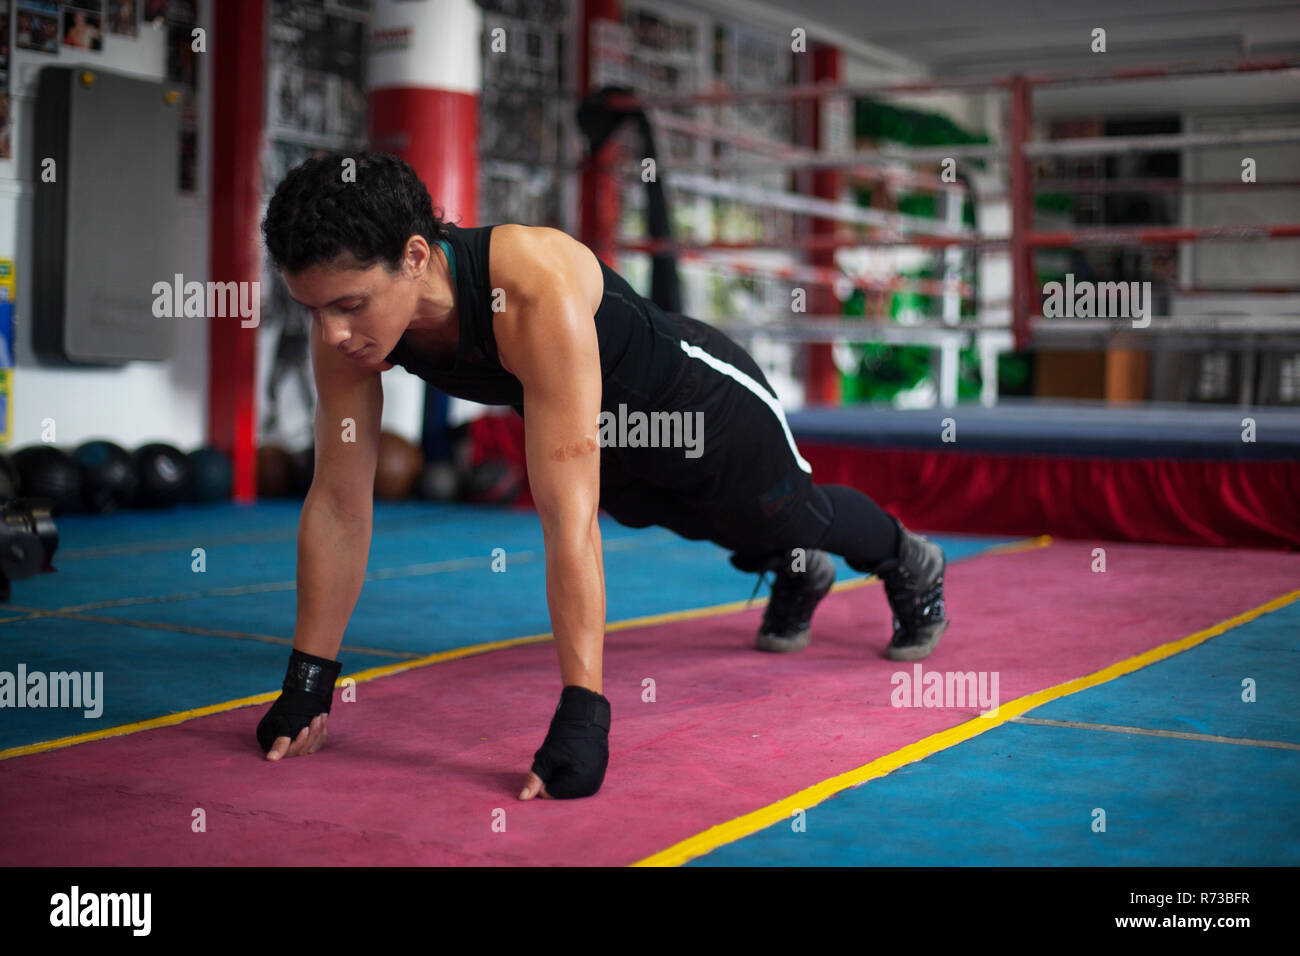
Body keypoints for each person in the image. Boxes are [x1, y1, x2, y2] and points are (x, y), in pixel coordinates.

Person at [255, 152, 948, 799]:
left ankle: (907, 559)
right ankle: (798, 571)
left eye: (349, 305)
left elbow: (565, 518)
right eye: (313, 309)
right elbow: (340, 504)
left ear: (413, 256)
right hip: (607, 432)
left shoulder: (529, 284)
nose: (334, 335)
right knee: (685, 516)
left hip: (703, 403)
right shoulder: (346, 338)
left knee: (789, 514)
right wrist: (308, 681)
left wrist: (583, 710)